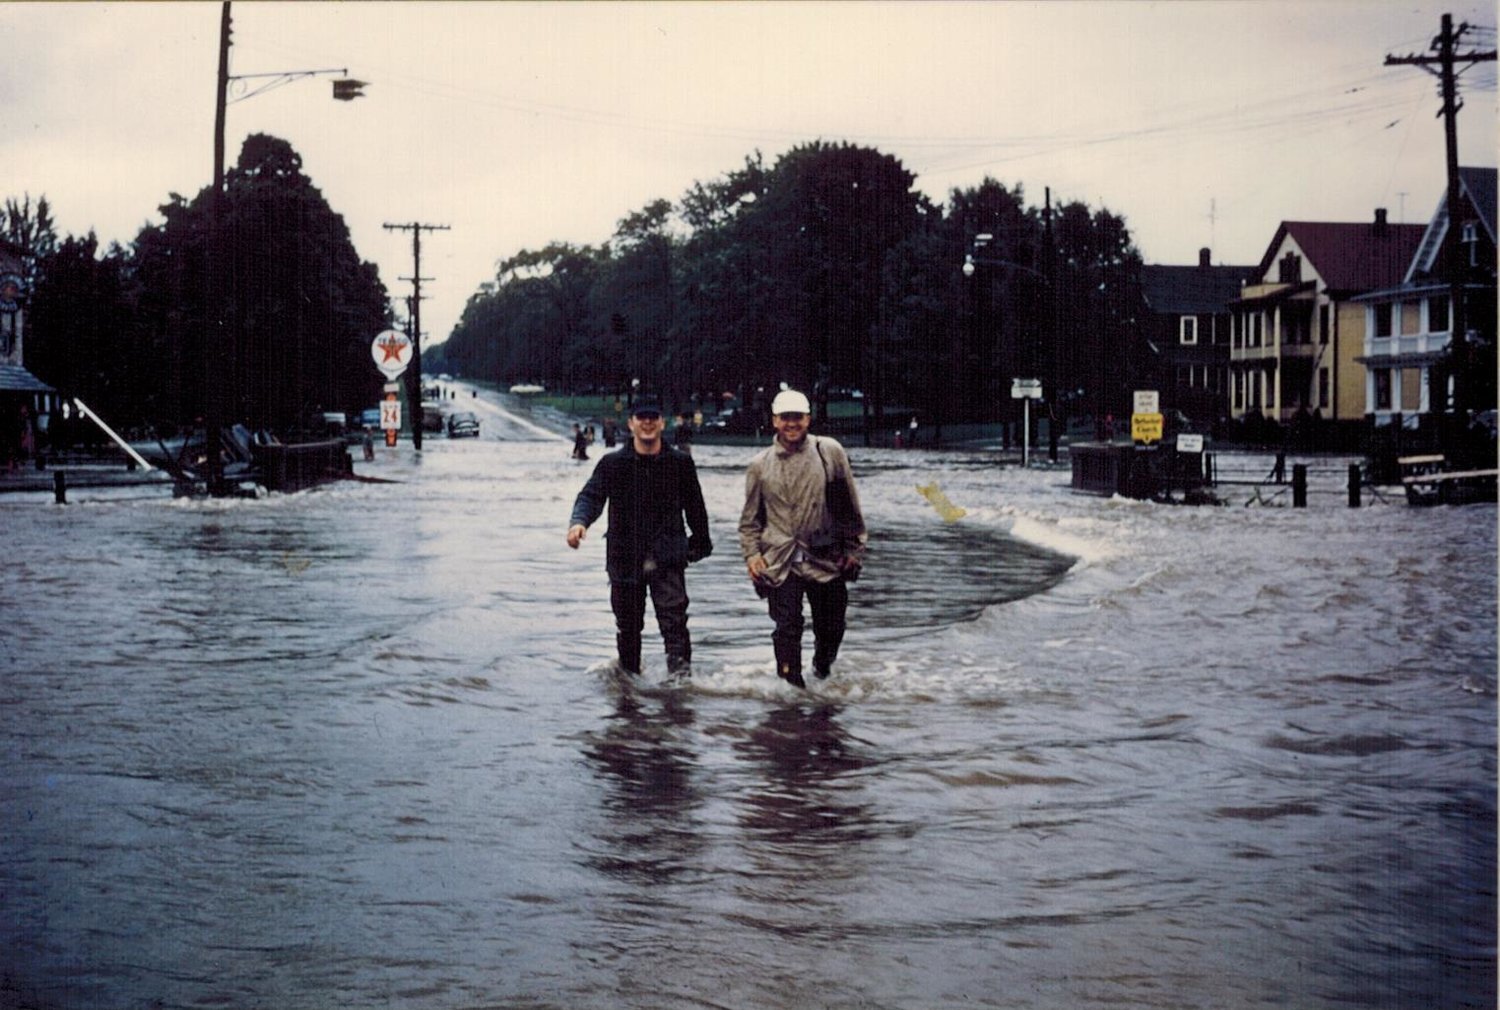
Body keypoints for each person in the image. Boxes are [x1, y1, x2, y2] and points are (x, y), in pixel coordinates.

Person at [568, 399, 712, 678]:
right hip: (625, 557)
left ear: (662, 422)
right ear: (631, 423)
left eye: (653, 418)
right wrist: (579, 523)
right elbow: (591, 496)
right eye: (641, 418)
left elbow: (696, 507)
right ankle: (628, 686)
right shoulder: (613, 463)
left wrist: (700, 544)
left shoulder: (680, 463)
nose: (647, 423)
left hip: (667, 557)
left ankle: (681, 688)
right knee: (628, 625)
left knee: (675, 624)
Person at [738, 389, 867, 688]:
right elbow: (749, 521)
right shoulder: (759, 465)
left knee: (832, 627)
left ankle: (822, 672)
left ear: (808, 419)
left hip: (826, 556)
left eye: (797, 417)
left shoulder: (829, 452)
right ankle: (790, 690)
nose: (791, 424)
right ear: (774, 421)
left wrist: (854, 550)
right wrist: (752, 556)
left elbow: (849, 506)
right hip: (781, 561)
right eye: (785, 418)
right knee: (787, 628)